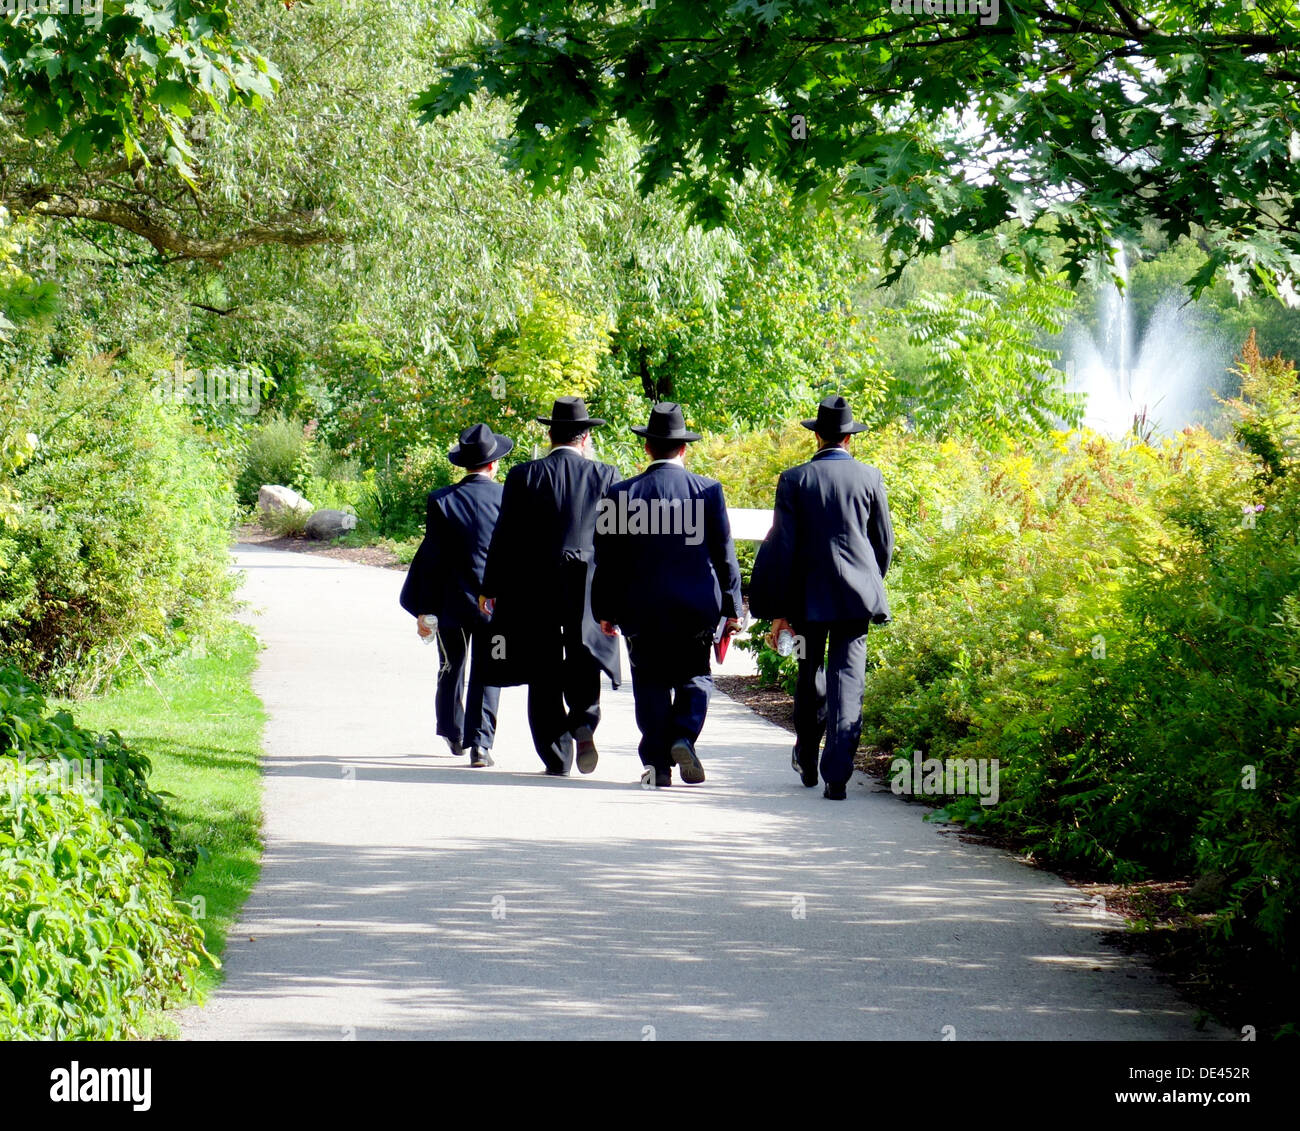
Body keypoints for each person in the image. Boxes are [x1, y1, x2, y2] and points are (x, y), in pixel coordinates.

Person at [749, 395, 895, 800]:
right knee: (849, 678)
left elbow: (783, 546)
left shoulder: (794, 480)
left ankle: (808, 758)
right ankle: (837, 773)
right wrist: (869, 581)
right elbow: (883, 543)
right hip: (855, 598)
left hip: (804, 599)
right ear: (849, 439)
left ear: (817, 436)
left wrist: (780, 609)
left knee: (808, 673)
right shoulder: (870, 477)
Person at [591, 402, 743, 788]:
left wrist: (604, 609)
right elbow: (723, 552)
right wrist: (733, 604)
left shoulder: (620, 494)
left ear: (647, 448)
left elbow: (606, 559)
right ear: (684, 449)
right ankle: (683, 736)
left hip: (640, 608)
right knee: (695, 676)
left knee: (650, 681)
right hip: (695, 607)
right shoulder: (708, 491)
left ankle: (657, 765)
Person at [479, 396, 622, 776]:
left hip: (534, 587)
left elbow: (504, 537)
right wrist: (619, 593)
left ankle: (556, 755)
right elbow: (615, 541)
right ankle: (584, 722)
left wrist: (490, 587)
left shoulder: (524, 475)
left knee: (541, 667)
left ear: (549, 434)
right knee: (583, 655)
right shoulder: (607, 476)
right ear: (586, 437)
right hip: (587, 585)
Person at [399, 422, 513, 768]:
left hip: (452, 604)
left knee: (451, 665)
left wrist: (425, 608)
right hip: (496, 604)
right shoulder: (508, 497)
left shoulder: (441, 500)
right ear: (494, 464)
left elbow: (432, 559)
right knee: (489, 669)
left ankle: (453, 731)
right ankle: (481, 744)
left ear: (463, 464)